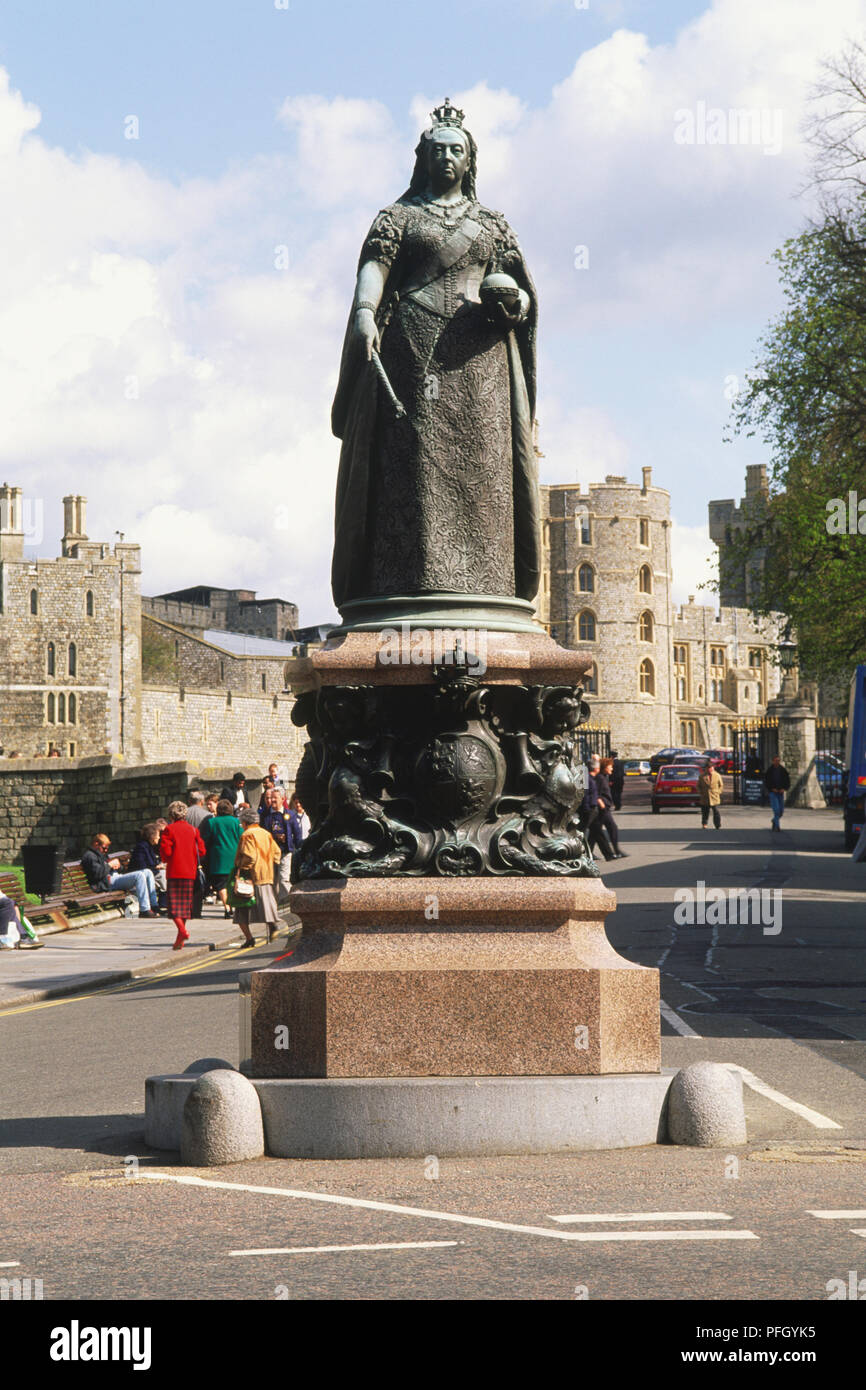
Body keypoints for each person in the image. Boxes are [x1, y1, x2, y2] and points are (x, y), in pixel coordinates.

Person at [330, 99, 539, 611]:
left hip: (481, 366)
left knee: (484, 473)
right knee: (412, 470)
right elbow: (375, 267)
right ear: (423, 158)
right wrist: (363, 309)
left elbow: (526, 292)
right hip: (410, 352)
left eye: (457, 151)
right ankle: (407, 584)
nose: (447, 157)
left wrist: (516, 301)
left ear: (470, 161)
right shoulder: (398, 218)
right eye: (438, 150)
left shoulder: (492, 224)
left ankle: (486, 590)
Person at [159, 801, 206, 950]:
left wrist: (166, 858)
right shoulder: (193, 830)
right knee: (184, 906)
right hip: (190, 872)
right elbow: (202, 851)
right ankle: (180, 938)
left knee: (173, 907)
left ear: (171, 814)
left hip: (174, 871)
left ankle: (182, 931)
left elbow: (166, 852)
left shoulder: (169, 830)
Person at [233, 807, 281, 946]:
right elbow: (277, 852)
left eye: (241, 822)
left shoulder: (247, 834)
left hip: (251, 876)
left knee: (240, 908)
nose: (241, 825)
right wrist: (271, 867)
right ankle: (272, 927)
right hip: (266, 874)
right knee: (266, 904)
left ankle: (249, 938)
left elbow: (250, 856)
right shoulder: (266, 833)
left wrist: (242, 868)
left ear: (245, 822)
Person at [81, 833, 158, 917]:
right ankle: (144, 910)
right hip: (107, 882)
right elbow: (97, 874)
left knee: (147, 872)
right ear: (96, 844)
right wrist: (109, 865)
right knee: (139, 875)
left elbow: (120, 869)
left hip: (116, 877)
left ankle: (154, 905)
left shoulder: (101, 854)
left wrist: (117, 866)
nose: (106, 850)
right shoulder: (89, 856)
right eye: (104, 848)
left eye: (107, 848)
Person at [201, 799, 243, 918]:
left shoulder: (212, 822)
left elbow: (206, 840)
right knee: (233, 883)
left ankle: (227, 908)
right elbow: (242, 837)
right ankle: (234, 907)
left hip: (218, 859)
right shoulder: (236, 822)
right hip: (234, 857)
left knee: (221, 885)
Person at [258, 787, 302, 901]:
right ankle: (274, 907)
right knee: (272, 881)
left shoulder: (290, 815)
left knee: (283, 880)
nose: (272, 800)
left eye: (275, 798)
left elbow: (297, 835)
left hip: (285, 852)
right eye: (271, 797)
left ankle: (287, 905)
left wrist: (298, 849)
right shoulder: (264, 815)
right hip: (269, 854)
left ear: (282, 799)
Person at [580, 756, 614, 862]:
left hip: (593, 809)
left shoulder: (591, 779)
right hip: (589, 809)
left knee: (597, 832)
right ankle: (586, 854)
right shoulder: (588, 780)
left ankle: (607, 854)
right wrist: (586, 809)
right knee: (582, 832)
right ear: (596, 769)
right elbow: (585, 795)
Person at [598, 757, 626, 857]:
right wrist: (601, 802)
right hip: (602, 808)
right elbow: (596, 793)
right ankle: (615, 851)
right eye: (610, 767)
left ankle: (611, 852)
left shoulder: (603, 777)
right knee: (611, 828)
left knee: (596, 832)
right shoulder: (600, 778)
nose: (612, 769)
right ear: (604, 767)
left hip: (604, 807)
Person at [764, 755, 791, 832]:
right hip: (773, 793)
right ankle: (777, 826)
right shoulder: (769, 771)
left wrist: (784, 788)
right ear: (773, 761)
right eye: (776, 760)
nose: (777, 762)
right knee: (776, 810)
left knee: (781, 811)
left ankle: (774, 820)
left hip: (780, 792)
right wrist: (772, 788)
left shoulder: (783, 770)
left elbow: (787, 781)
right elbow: (767, 782)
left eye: (778, 760)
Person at [698, 759, 724, 830]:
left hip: (714, 796)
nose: (710, 769)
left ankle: (717, 824)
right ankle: (704, 824)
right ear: (706, 768)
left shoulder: (717, 775)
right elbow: (698, 786)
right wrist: (701, 793)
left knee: (716, 812)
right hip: (705, 797)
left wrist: (718, 792)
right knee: (705, 812)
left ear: (713, 768)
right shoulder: (701, 776)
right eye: (708, 768)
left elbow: (721, 785)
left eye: (711, 768)